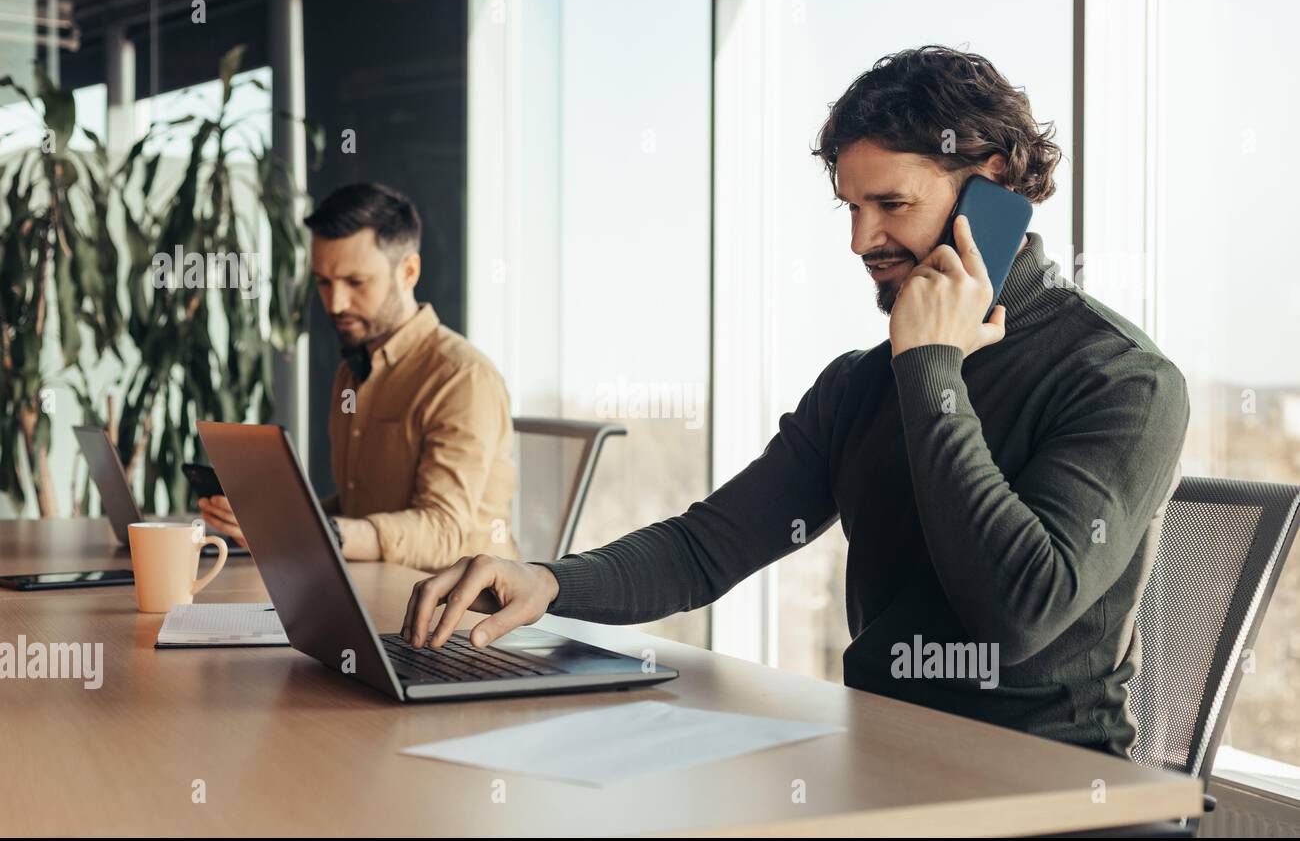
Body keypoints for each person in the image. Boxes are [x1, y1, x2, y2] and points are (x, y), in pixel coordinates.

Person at [401, 46, 1190, 758]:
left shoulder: (1122, 381)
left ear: (989, 192)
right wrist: (549, 582)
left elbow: (1019, 614)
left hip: (1043, 787)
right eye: (851, 207)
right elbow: (709, 548)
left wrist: (931, 371)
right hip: (878, 753)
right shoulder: (860, 383)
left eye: (890, 204)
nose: (859, 240)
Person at [200, 183, 518, 572]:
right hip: (375, 587)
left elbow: (443, 532)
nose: (336, 304)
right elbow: (361, 510)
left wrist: (313, 533)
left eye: (356, 282)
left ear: (408, 271)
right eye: (324, 282)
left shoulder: (463, 379)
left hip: (462, 615)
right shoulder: (354, 369)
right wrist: (273, 521)